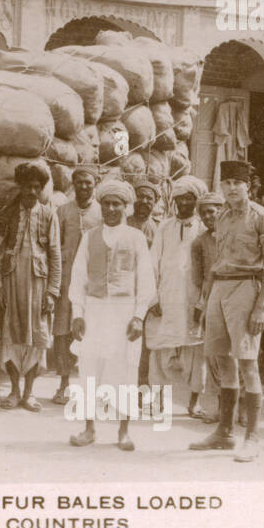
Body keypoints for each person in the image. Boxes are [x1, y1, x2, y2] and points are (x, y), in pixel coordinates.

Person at [189, 161, 264, 462]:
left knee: (248, 364)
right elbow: (217, 260)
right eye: (226, 183)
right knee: (221, 359)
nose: (231, 189)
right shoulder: (222, 217)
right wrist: (205, 300)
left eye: (237, 183)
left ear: (248, 184)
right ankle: (224, 433)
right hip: (220, 289)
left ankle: (252, 437)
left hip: (246, 289)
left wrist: (261, 307)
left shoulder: (263, 218)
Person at [66, 180, 155, 451]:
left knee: (125, 368)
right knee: (89, 367)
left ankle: (123, 431)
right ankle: (89, 428)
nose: (111, 208)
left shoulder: (136, 237)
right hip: (94, 310)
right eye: (106, 203)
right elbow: (78, 276)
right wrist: (77, 313)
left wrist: (139, 316)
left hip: (124, 311)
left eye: (117, 204)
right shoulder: (89, 236)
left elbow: (146, 281)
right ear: (101, 206)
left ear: (126, 207)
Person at [0, 162, 62, 412]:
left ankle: (29, 393)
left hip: (38, 282)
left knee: (36, 337)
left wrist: (52, 292)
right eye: (27, 187)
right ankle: (14, 390)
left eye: (36, 187)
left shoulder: (49, 214)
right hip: (11, 281)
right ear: (19, 187)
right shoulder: (7, 215)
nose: (31, 192)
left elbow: (55, 255)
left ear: (41, 189)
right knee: (11, 336)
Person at [145, 176, 208, 419]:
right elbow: (152, 262)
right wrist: (154, 299)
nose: (183, 203)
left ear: (196, 200)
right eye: (179, 198)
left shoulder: (204, 228)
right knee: (160, 350)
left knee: (195, 352)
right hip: (166, 297)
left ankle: (194, 402)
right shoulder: (164, 226)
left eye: (189, 198)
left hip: (192, 299)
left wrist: (201, 303)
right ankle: (158, 402)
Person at [52, 164, 100, 404]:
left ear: (95, 185)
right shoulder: (62, 211)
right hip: (66, 281)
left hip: (92, 284)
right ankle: (63, 384)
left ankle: (89, 387)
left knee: (89, 333)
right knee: (62, 332)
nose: (83, 186)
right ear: (73, 184)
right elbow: (53, 247)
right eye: (79, 182)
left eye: (88, 182)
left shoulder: (103, 212)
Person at [189, 191, 225, 423]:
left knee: (237, 356)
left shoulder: (234, 235)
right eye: (204, 214)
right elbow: (198, 277)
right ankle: (221, 408)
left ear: (221, 211)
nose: (208, 217)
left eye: (212, 212)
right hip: (212, 301)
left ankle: (238, 409)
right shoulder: (199, 242)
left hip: (235, 299)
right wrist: (201, 305)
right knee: (214, 356)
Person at [126, 178, 159, 246]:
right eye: (140, 197)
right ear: (133, 198)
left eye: (149, 198)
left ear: (155, 201)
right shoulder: (124, 223)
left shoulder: (159, 228)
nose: (144, 201)